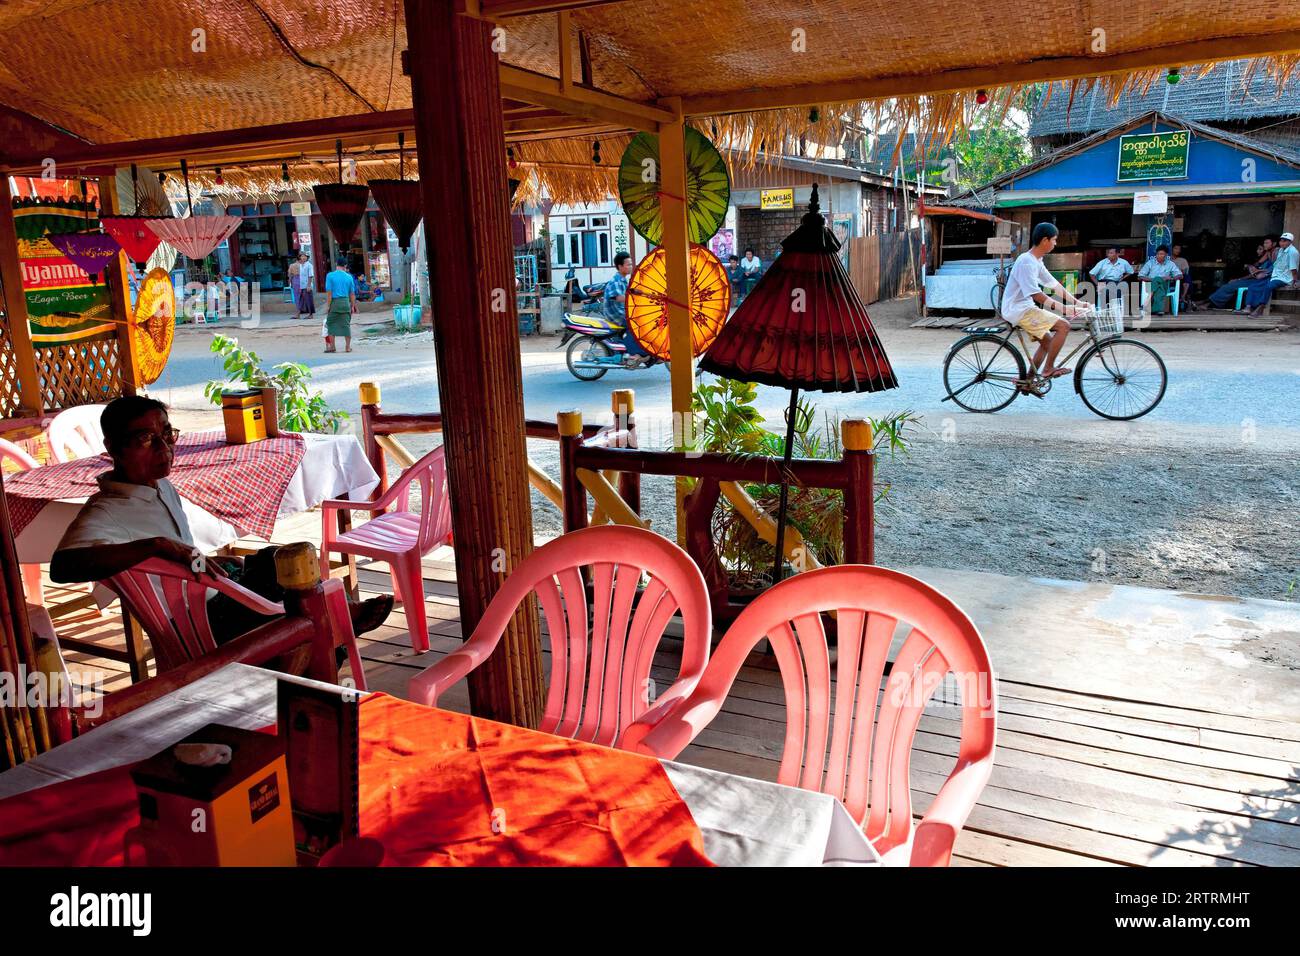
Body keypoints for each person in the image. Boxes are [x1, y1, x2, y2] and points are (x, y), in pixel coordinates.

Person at [49, 396, 393, 650]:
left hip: (209, 596)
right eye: (145, 440)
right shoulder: (108, 509)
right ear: (113, 448)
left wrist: (202, 559)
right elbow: (63, 567)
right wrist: (155, 546)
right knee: (296, 601)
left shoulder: (158, 487)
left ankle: (340, 618)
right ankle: (337, 628)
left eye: (167, 434)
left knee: (275, 559)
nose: (163, 448)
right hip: (198, 624)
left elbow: (179, 549)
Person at [1000, 221, 1084, 384]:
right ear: (1045, 240)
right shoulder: (1026, 261)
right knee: (1063, 326)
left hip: (1025, 308)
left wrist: (1077, 303)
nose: (1055, 243)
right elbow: (1036, 294)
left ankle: (1028, 382)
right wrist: (1063, 308)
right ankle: (1048, 369)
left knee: (1047, 342)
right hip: (1018, 310)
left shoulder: (1036, 261)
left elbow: (1053, 284)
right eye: (1054, 239)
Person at [604, 252, 650, 368]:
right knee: (635, 324)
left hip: (622, 312)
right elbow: (619, 297)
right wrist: (634, 298)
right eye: (628, 265)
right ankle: (633, 352)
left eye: (631, 264)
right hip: (616, 315)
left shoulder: (623, 280)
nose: (631, 267)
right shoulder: (616, 281)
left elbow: (630, 292)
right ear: (620, 266)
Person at [1206, 239, 1274, 309]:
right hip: (1252, 280)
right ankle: (1208, 302)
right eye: (1258, 249)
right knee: (1228, 285)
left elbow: (1255, 274)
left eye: (1260, 249)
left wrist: (1239, 279)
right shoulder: (1260, 261)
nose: (1257, 251)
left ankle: (1208, 303)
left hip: (1257, 282)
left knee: (1227, 287)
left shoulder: (1269, 261)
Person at [1246, 232, 1298, 317]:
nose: (1282, 243)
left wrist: (1295, 280)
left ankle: (1261, 307)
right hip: (1276, 276)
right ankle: (1249, 307)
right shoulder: (1281, 250)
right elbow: (1275, 264)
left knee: (1268, 286)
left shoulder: (1292, 252)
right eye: (1281, 241)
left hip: (1284, 278)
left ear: (1290, 242)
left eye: (1285, 241)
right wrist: (1261, 271)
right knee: (1256, 285)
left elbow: (1293, 269)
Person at [323, 256, 357, 352]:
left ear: (336, 264)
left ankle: (332, 347)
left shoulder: (330, 275)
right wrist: (353, 306)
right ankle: (347, 347)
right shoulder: (349, 277)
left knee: (331, 324)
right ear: (345, 266)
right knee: (346, 325)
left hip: (335, 302)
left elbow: (329, 293)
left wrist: (328, 306)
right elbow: (352, 293)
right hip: (345, 302)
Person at [1137, 245, 1182, 316]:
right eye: (1157, 254)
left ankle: (1146, 304)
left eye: (1161, 254)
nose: (1159, 256)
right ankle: (1159, 310)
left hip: (1165, 286)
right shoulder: (1150, 263)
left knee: (1158, 282)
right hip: (1150, 285)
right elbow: (1140, 276)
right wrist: (1155, 279)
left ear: (1166, 255)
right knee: (1158, 280)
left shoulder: (1170, 264)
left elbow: (1180, 275)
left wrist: (1171, 278)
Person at [1087, 246, 1133, 312]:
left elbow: (1130, 272)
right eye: (1108, 253)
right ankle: (1106, 312)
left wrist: (1122, 278)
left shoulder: (1124, 262)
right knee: (1106, 296)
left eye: (1111, 253)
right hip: (1103, 281)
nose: (1109, 255)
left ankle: (1115, 311)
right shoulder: (1102, 262)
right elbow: (1091, 273)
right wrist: (1098, 284)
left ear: (1117, 254)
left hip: (1116, 282)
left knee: (1120, 291)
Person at [296, 253, 315, 321]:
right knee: (301, 300)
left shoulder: (309, 265)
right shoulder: (300, 265)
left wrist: (309, 285)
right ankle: (298, 314)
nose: (303, 257)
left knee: (309, 300)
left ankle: (311, 314)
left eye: (305, 256)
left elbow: (310, 275)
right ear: (300, 257)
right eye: (302, 256)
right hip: (302, 285)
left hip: (307, 285)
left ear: (307, 257)